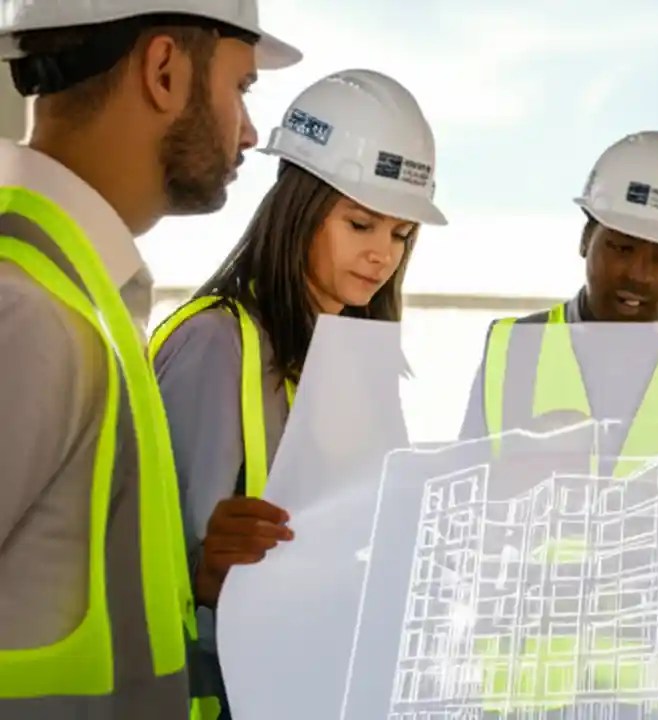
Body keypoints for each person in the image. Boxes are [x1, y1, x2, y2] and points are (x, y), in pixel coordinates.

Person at [0, 2, 298, 718]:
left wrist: (194, 580)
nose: (251, 133)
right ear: (164, 71)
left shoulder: (80, 300)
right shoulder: (31, 315)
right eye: (242, 90)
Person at [452, 130, 658, 716]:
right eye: (622, 248)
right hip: (530, 695)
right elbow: (462, 513)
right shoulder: (514, 352)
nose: (639, 275)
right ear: (587, 237)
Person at [147, 68, 445, 718]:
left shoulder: (353, 354)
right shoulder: (215, 344)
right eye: (361, 224)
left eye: (400, 235)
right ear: (299, 207)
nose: (382, 256)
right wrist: (202, 567)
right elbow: (153, 565)